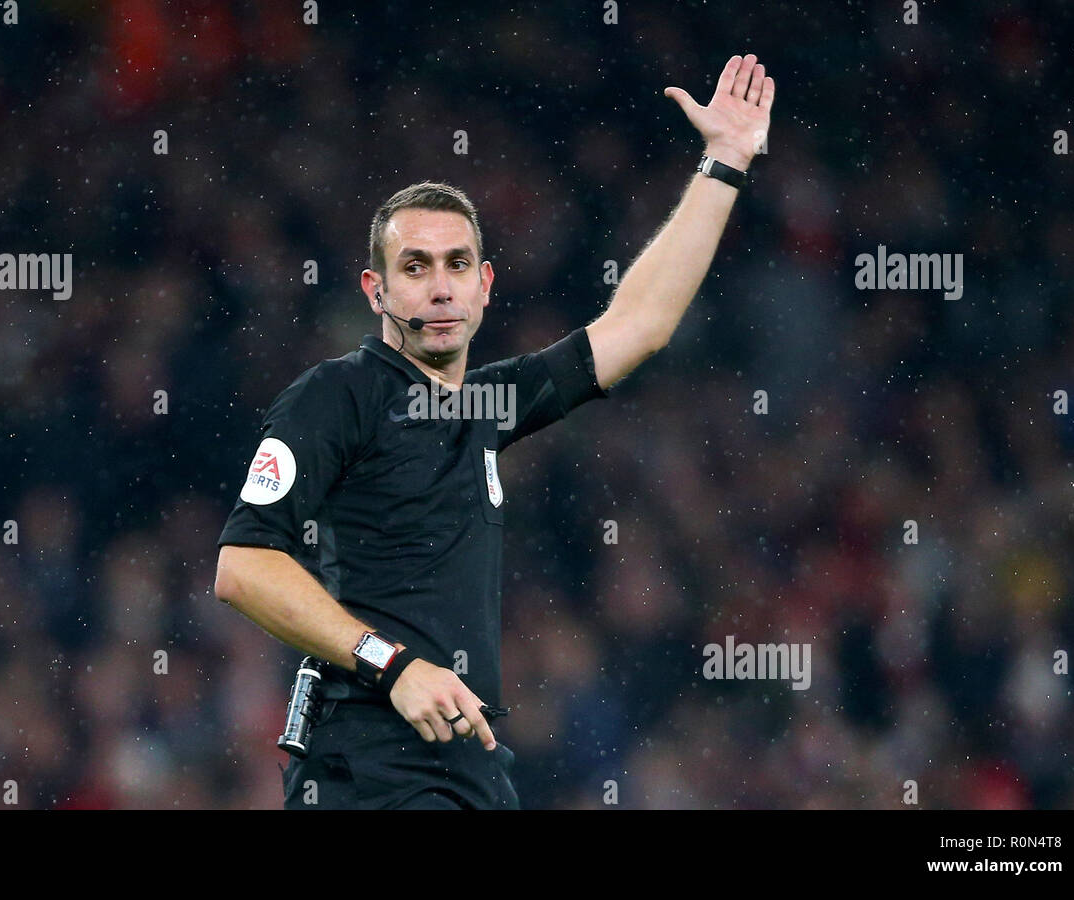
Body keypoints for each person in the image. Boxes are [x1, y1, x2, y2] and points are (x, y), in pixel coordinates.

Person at [214, 54, 775, 809]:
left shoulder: (485, 405)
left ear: (485, 285)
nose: (440, 287)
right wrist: (391, 665)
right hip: (366, 763)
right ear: (376, 291)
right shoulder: (336, 396)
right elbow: (243, 565)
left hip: (466, 762)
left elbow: (641, 323)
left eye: (457, 265)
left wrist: (725, 161)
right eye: (415, 267)